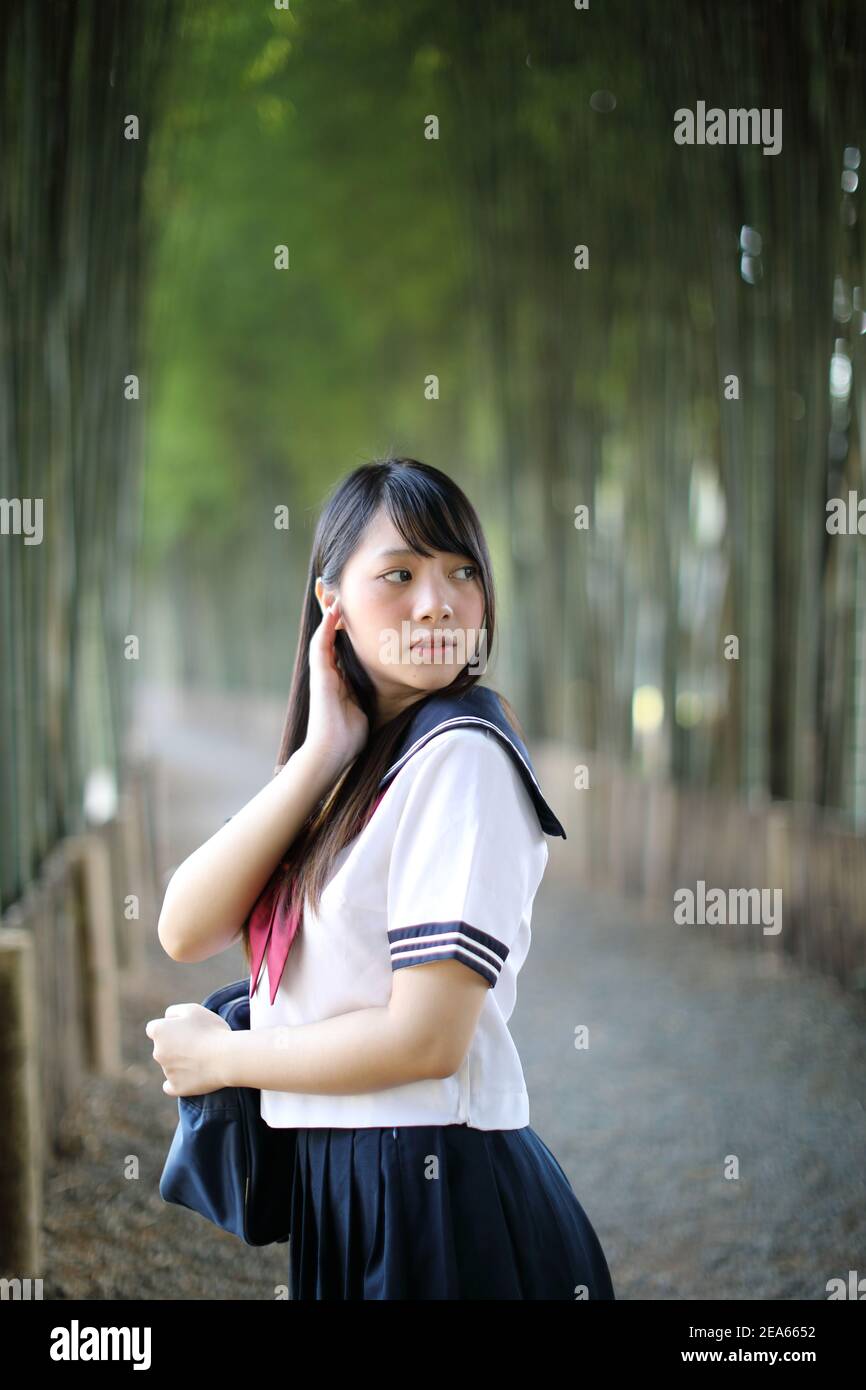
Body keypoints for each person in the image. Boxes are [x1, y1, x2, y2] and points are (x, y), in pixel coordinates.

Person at [149, 456, 616, 1301]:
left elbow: (424, 1041)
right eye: (400, 574)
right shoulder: (364, 763)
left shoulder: (462, 756)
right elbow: (185, 926)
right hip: (361, 1185)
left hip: (432, 1195)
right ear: (332, 603)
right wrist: (321, 754)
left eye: (461, 572)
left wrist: (227, 1058)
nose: (438, 602)